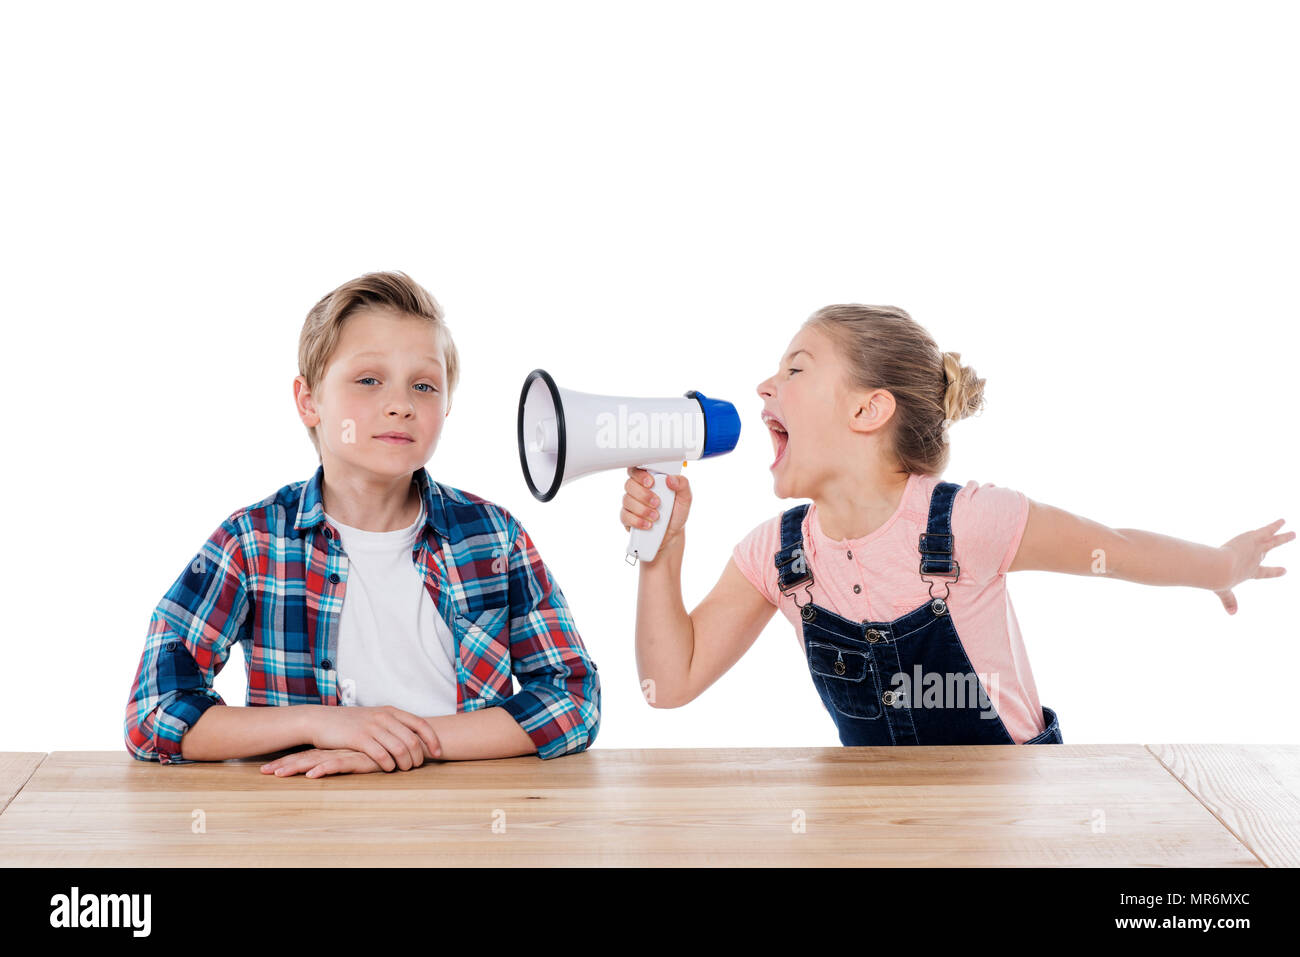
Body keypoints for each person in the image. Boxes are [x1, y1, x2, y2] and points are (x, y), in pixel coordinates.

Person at [621, 304, 1290, 745]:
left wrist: (1221, 565)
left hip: (1014, 821)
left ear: (868, 410)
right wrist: (663, 550)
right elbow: (668, 682)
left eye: (795, 368)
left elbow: (1115, 548)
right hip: (891, 833)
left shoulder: (967, 523)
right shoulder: (777, 554)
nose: (764, 386)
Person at [125, 270, 599, 775]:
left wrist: (402, 742)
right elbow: (154, 713)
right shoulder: (251, 542)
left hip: (465, 829)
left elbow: (572, 699)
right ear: (309, 401)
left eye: (424, 386)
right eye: (369, 380)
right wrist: (322, 724)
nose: (400, 405)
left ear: (447, 407)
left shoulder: (494, 538)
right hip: (309, 832)